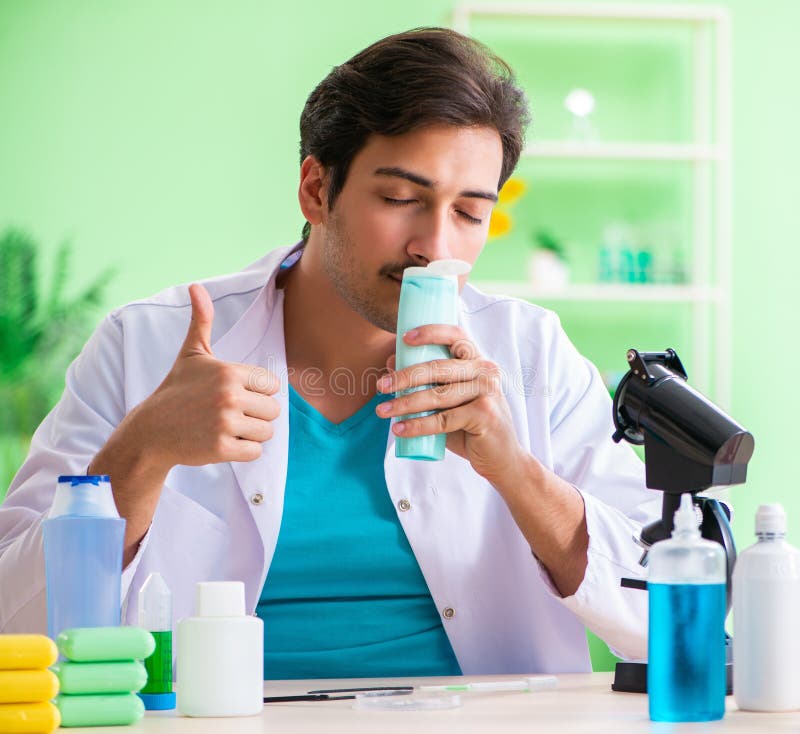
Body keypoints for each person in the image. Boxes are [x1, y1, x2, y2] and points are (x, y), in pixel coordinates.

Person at [0, 27, 657, 677]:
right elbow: (14, 620)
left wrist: (515, 470)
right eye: (402, 199)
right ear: (316, 190)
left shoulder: (530, 352)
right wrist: (141, 453)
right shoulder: (143, 345)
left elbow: (667, 620)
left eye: (469, 213)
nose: (435, 246)